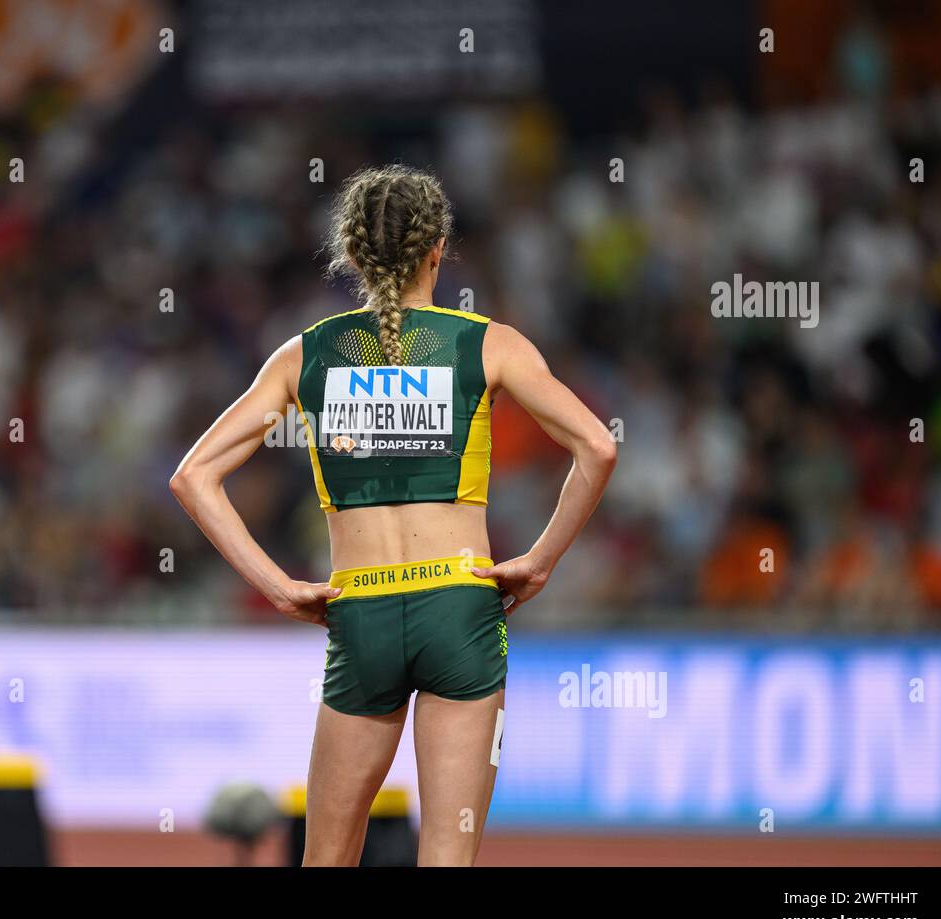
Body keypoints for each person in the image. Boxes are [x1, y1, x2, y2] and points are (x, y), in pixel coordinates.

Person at [170, 165, 616, 866]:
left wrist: (278, 587)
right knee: (445, 856)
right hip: (460, 609)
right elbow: (598, 446)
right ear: (438, 249)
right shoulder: (489, 344)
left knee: (326, 859)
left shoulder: (303, 355)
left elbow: (193, 476)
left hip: (362, 612)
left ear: (352, 254)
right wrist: (540, 561)